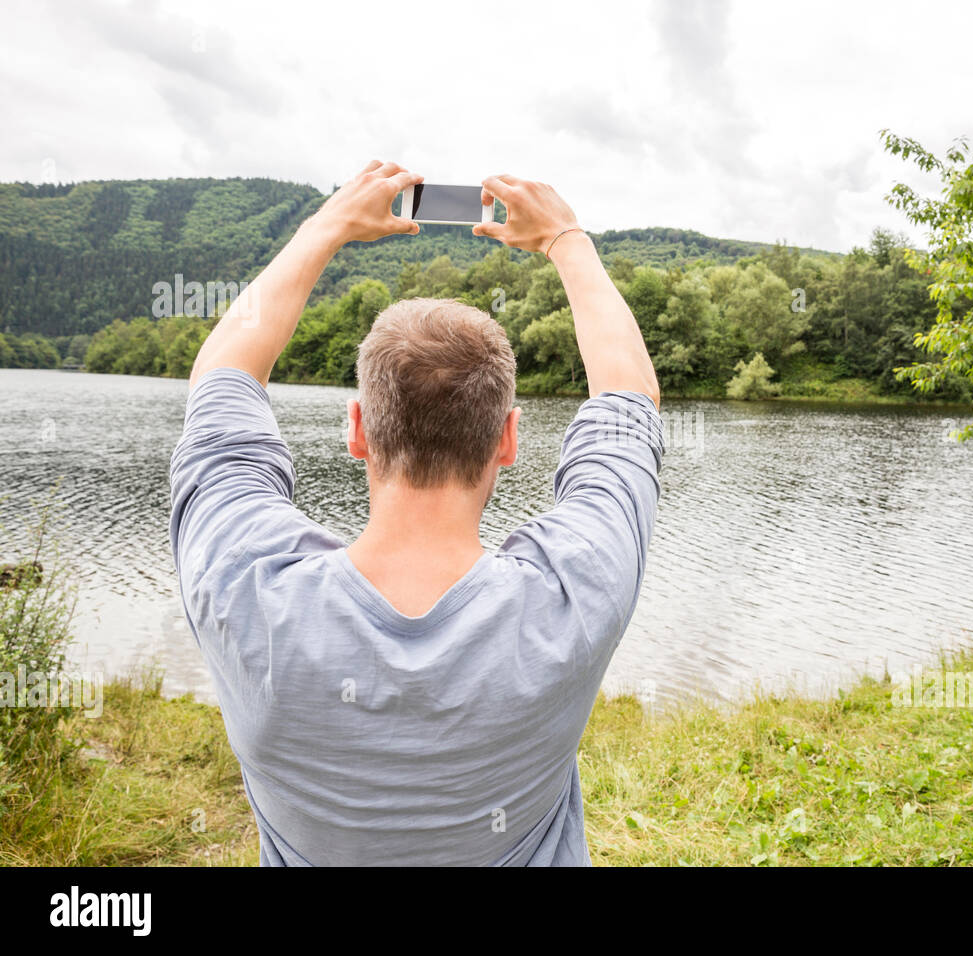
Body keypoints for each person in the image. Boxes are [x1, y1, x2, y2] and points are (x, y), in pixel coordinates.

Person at [169, 161, 663, 865]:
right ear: (508, 439)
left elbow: (222, 376)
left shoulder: (246, 588)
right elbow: (627, 401)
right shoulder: (572, 597)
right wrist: (566, 240)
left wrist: (325, 227)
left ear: (358, 429)